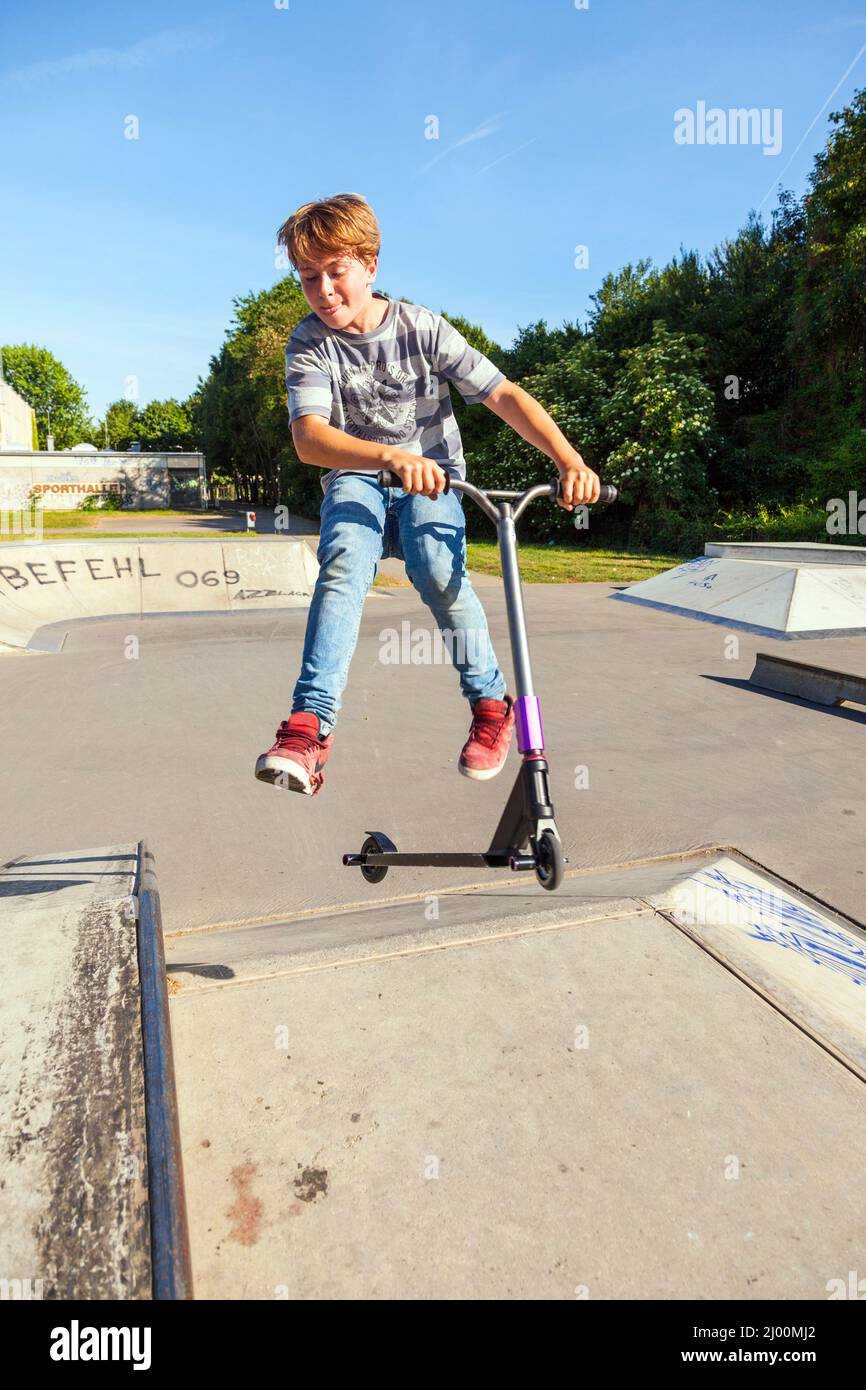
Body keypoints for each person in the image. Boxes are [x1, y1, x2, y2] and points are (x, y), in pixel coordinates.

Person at [255, 193, 599, 796]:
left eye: (337, 272)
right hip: (357, 476)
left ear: (370, 265)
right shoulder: (309, 342)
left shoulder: (422, 328)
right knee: (342, 567)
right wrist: (388, 455)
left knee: (438, 569)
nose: (324, 290)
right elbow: (310, 439)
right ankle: (309, 730)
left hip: (434, 476)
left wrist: (569, 459)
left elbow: (503, 395)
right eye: (310, 277)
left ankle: (493, 706)